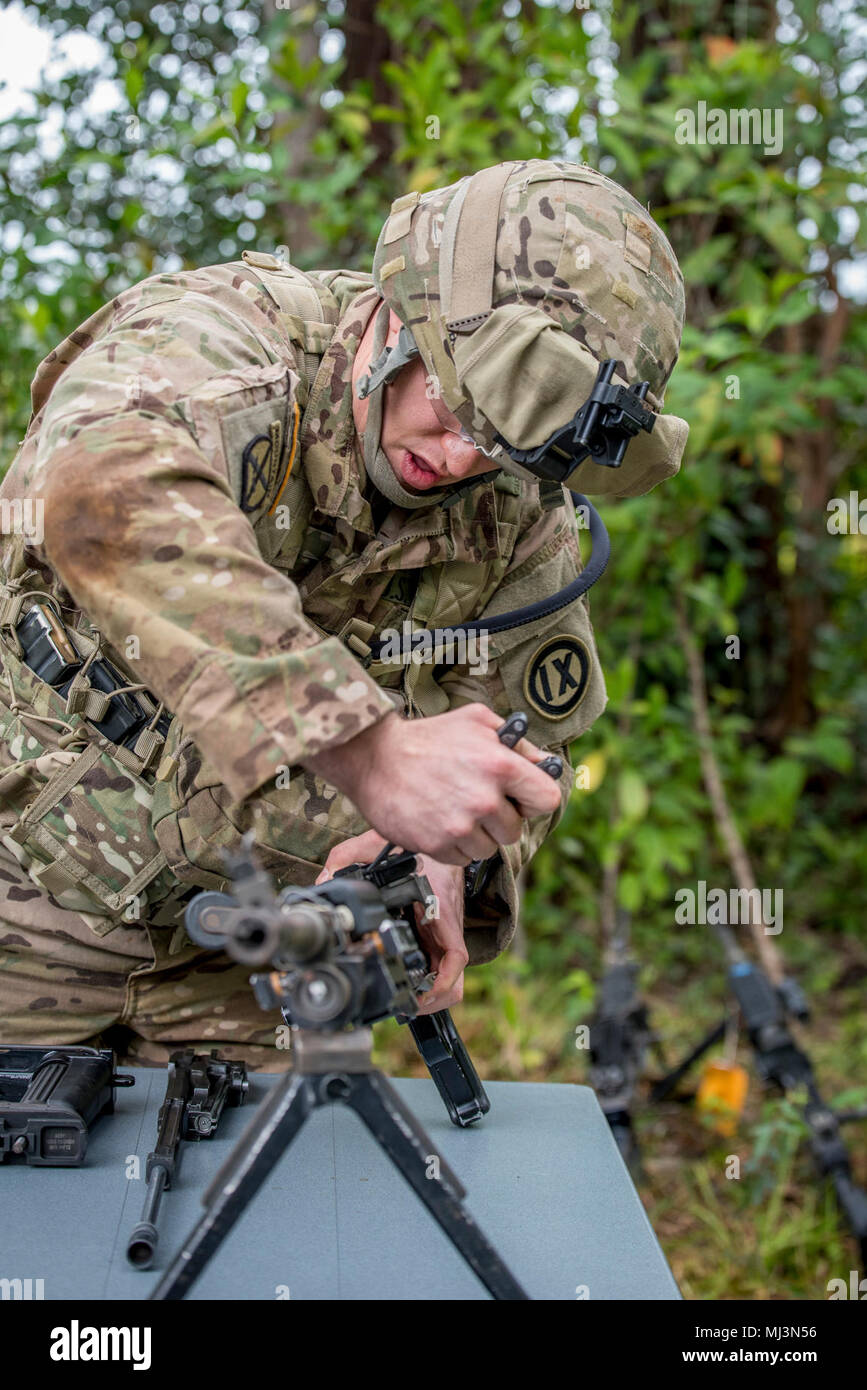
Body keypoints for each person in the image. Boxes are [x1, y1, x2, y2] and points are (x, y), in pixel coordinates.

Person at [0, 158, 688, 1067]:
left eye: (505, 445)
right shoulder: (226, 343)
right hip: (23, 900)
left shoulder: (521, 517)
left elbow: (521, 746)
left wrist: (449, 859)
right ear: (406, 312)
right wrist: (372, 751)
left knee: (265, 1205)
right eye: (454, 405)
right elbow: (97, 497)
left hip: (253, 960)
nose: (460, 460)